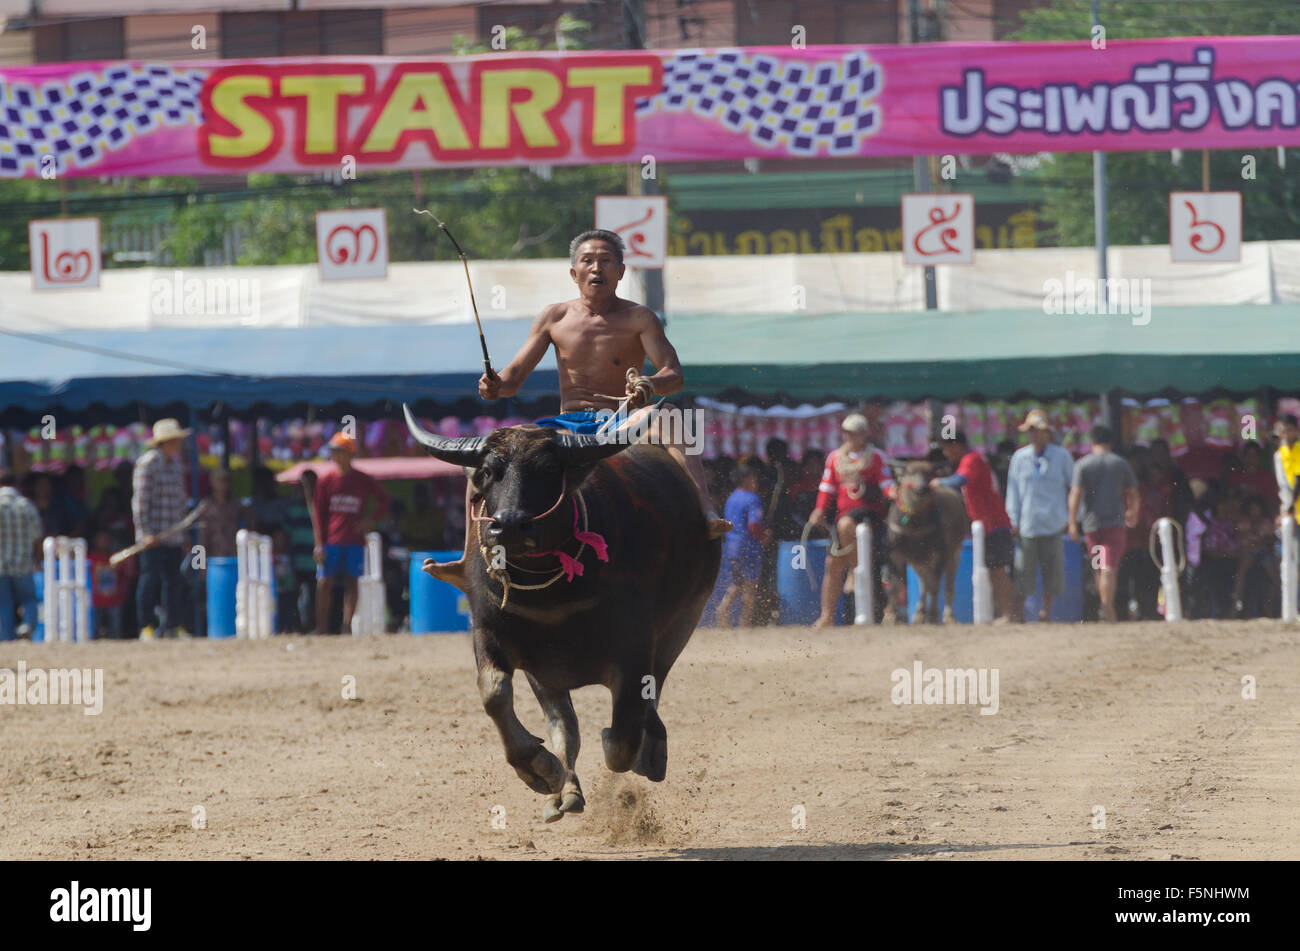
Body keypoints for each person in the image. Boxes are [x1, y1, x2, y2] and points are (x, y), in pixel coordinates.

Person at [424, 229, 731, 588]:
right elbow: (514, 377)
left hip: (620, 418)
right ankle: (467, 560)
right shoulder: (554, 318)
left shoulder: (640, 318)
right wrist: (493, 385)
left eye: (605, 261)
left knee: (671, 419)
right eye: (587, 261)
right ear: (574, 273)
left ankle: (705, 510)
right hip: (566, 422)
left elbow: (673, 374)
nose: (595, 268)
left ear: (620, 271)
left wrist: (651, 385)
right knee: (490, 451)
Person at [808, 413, 893, 628]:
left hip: (869, 517)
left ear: (864, 434)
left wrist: (897, 494)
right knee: (833, 564)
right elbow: (827, 489)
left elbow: (886, 485)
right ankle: (827, 615)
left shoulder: (876, 457)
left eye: (854, 432)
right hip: (844, 518)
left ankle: (855, 571)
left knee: (847, 526)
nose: (849, 437)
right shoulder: (835, 458)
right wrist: (818, 510)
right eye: (846, 432)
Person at [934, 430, 1018, 621]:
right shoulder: (971, 459)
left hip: (994, 524)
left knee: (998, 570)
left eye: (947, 449)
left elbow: (959, 481)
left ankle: (1008, 613)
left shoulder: (971, 459)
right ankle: (1005, 613)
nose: (946, 454)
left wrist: (938, 482)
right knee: (993, 571)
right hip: (987, 526)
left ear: (957, 446)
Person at [313, 432, 389, 635]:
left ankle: (347, 626)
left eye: (338, 451)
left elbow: (384, 500)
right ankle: (321, 627)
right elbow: (317, 514)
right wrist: (318, 542)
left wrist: (370, 521)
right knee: (324, 582)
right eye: (333, 452)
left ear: (348, 454)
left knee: (352, 582)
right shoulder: (326, 481)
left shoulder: (362, 479)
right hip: (331, 540)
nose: (334, 456)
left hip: (355, 541)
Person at [1004, 409, 1074, 622]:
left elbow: (1074, 487)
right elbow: (1013, 491)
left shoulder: (1062, 456)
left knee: (1052, 572)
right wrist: (1013, 520)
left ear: (1047, 433)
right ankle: (1020, 612)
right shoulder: (1020, 457)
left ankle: (1046, 611)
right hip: (1028, 523)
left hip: (1054, 523)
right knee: (1023, 570)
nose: (1034, 435)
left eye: (1038, 431)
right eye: (1030, 431)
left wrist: (1071, 519)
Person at [132, 418, 195, 639]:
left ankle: (173, 625)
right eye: (176, 440)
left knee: (174, 581)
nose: (179, 444)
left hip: (173, 535)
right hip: (153, 536)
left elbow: (180, 503)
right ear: (166, 442)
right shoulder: (147, 464)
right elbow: (140, 502)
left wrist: (184, 533)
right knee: (150, 579)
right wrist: (146, 532)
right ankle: (146, 626)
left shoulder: (177, 467)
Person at [1068, 424, 1139, 623]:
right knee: (1109, 567)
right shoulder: (1119, 463)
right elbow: (1133, 492)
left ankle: (1105, 606)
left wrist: (1072, 522)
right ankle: (1108, 608)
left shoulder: (1083, 464)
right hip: (1114, 524)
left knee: (1100, 566)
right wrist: (1132, 512)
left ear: (1092, 441)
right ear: (1110, 442)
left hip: (1092, 526)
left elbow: (1075, 494)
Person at [716, 463, 768, 627]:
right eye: (753, 478)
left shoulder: (731, 498)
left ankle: (723, 609)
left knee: (736, 582)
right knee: (750, 585)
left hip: (731, 546)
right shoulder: (752, 499)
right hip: (749, 547)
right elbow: (754, 525)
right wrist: (764, 537)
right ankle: (745, 621)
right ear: (746, 479)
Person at [0, 469, 42, 640]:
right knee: (29, 600)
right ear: (16, 485)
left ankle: (7, 640)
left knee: (4, 606)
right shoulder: (26, 505)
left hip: (1, 565)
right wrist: (37, 558)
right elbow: (37, 536)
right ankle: (26, 625)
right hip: (23, 563)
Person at [88, 528, 128, 639]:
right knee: (94, 631)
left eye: (106, 539)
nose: (104, 542)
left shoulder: (118, 557)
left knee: (115, 631)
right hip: (95, 601)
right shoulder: (89, 558)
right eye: (101, 539)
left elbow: (127, 574)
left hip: (114, 601)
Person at [1274, 413, 1300, 534]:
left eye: (1289, 430)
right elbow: (1283, 487)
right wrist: (1284, 511)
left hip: (1294, 511)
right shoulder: (1279, 455)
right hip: (1288, 513)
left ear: (1296, 431)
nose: (1286, 434)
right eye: (1282, 431)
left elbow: (1298, 482)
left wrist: (1289, 510)